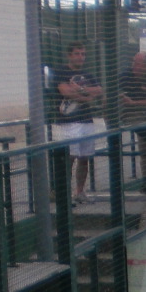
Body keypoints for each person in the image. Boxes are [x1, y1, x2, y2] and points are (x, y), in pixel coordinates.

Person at [55, 43, 104, 204]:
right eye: (77, 54)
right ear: (70, 55)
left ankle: (80, 192)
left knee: (84, 158)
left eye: (83, 54)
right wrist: (85, 96)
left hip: (87, 120)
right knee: (70, 157)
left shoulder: (88, 74)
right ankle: (63, 193)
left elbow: (99, 91)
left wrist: (80, 91)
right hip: (69, 122)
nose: (80, 57)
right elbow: (66, 92)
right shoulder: (61, 71)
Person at [119, 50, 146, 191]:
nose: (134, 66)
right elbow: (112, 93)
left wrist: (133, 102)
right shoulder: (125, 76)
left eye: (138, 64)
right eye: (134, 62)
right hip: (131, 115)